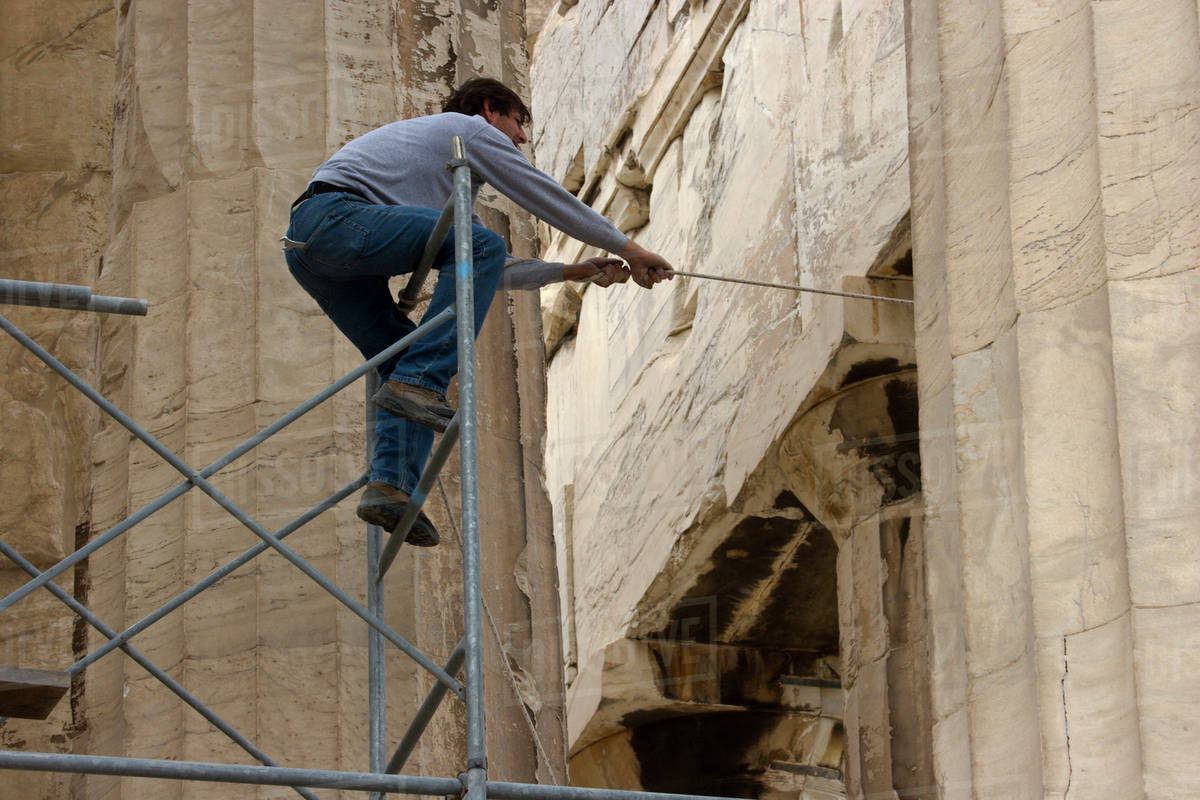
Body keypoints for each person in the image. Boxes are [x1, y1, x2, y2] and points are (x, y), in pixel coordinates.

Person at [282, 77, 673, 547]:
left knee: (396, 355)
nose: (523, 138)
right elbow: (545, 197)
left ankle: (390, 487)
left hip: (309, 249)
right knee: (428, 349)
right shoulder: (468, 131)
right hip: (337, 218)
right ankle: (422, 381)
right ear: (490, 110)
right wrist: (633, 248)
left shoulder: (450, 185)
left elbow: (490, 265)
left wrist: (572, 271)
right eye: (518, 123)